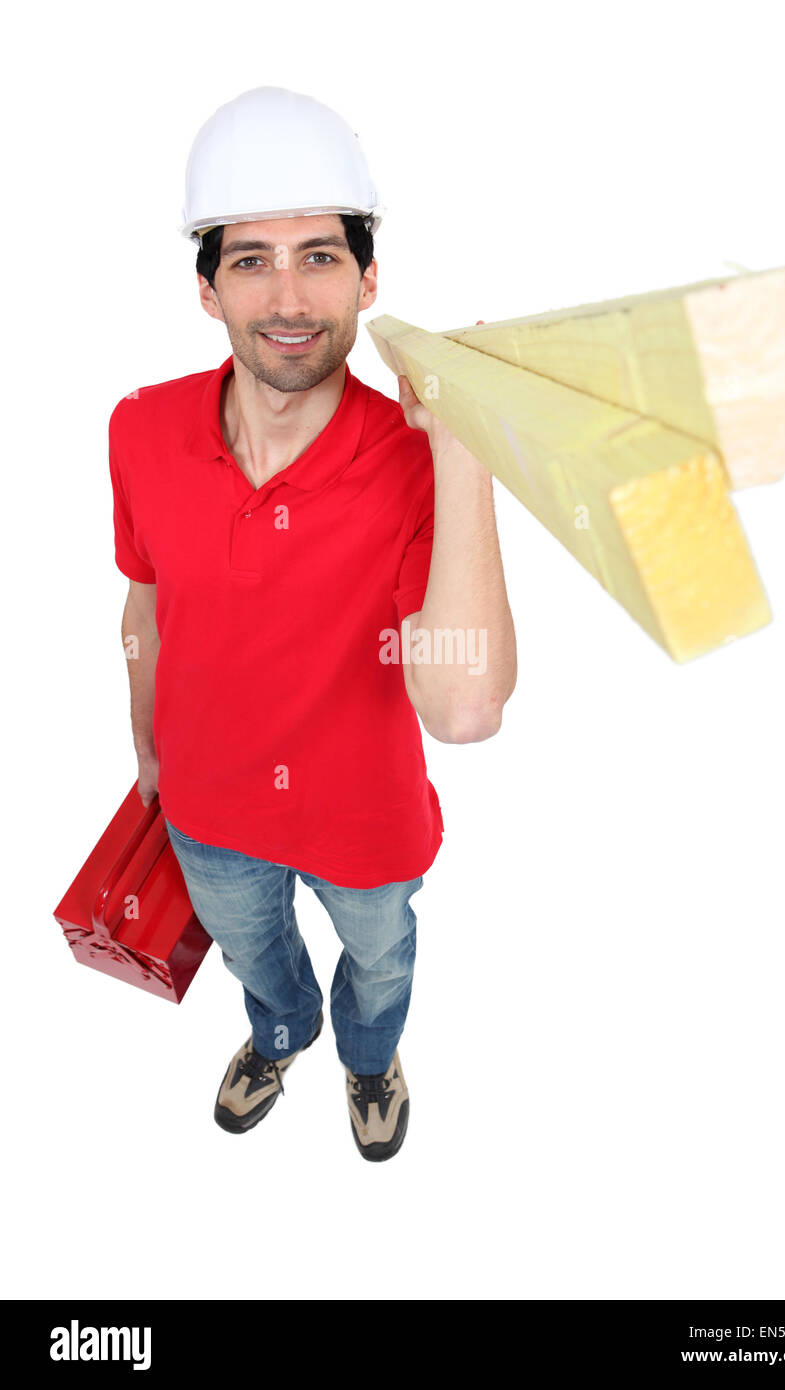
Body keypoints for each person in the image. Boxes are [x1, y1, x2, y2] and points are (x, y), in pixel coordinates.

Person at [109, 87, 517, 1161]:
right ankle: (280, 1035)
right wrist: (145, 740)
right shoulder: (141, 428)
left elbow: (465, 705)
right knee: (257, 960)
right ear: (206, 289)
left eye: (319, 257)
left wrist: (463, 452)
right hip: (206, 809)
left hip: (366, 829)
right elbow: (144, 594)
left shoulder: (415, 461)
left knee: (378, 965)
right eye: (250, 260)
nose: (287, 296)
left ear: (368, 277)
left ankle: (369, 1058)